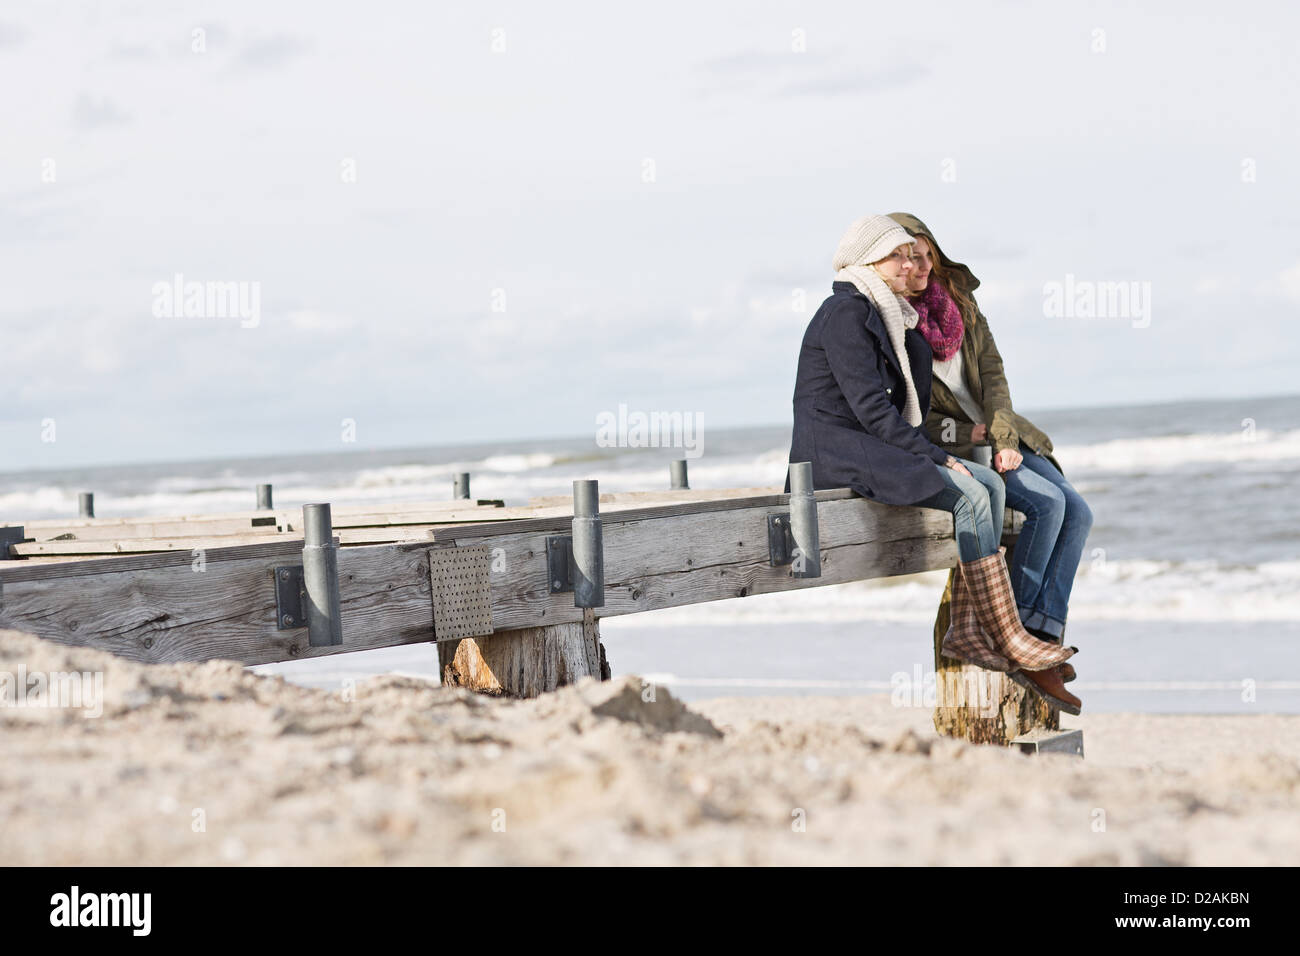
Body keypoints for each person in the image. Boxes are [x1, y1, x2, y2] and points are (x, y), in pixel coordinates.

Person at [784, 215, 1077, 712]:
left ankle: (968, 630)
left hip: (871, 443)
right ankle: (1006, 634)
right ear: (867, 262)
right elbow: (873, 410)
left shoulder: (891, 317)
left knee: (988, 483)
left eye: (910, 254)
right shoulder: (844, 313)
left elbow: (908, 400)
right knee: (968, 491)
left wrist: (916, 339)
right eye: (896, 255)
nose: (909, 264)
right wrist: (937, 453)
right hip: (835, 451)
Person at [892, 211, 1094, 704]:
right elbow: (911, 418)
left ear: (935, 256)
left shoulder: (962, 305)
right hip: (955, 447)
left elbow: (994, 374)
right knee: (1045, 506)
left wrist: (1002, 436)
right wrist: (972, 432)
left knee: (1079, 511)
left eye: (925, 253)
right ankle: (1019, 639)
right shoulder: (897, 324)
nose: (919, 263)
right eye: (908, 256)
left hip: (1005, 434)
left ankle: (1042, 633)